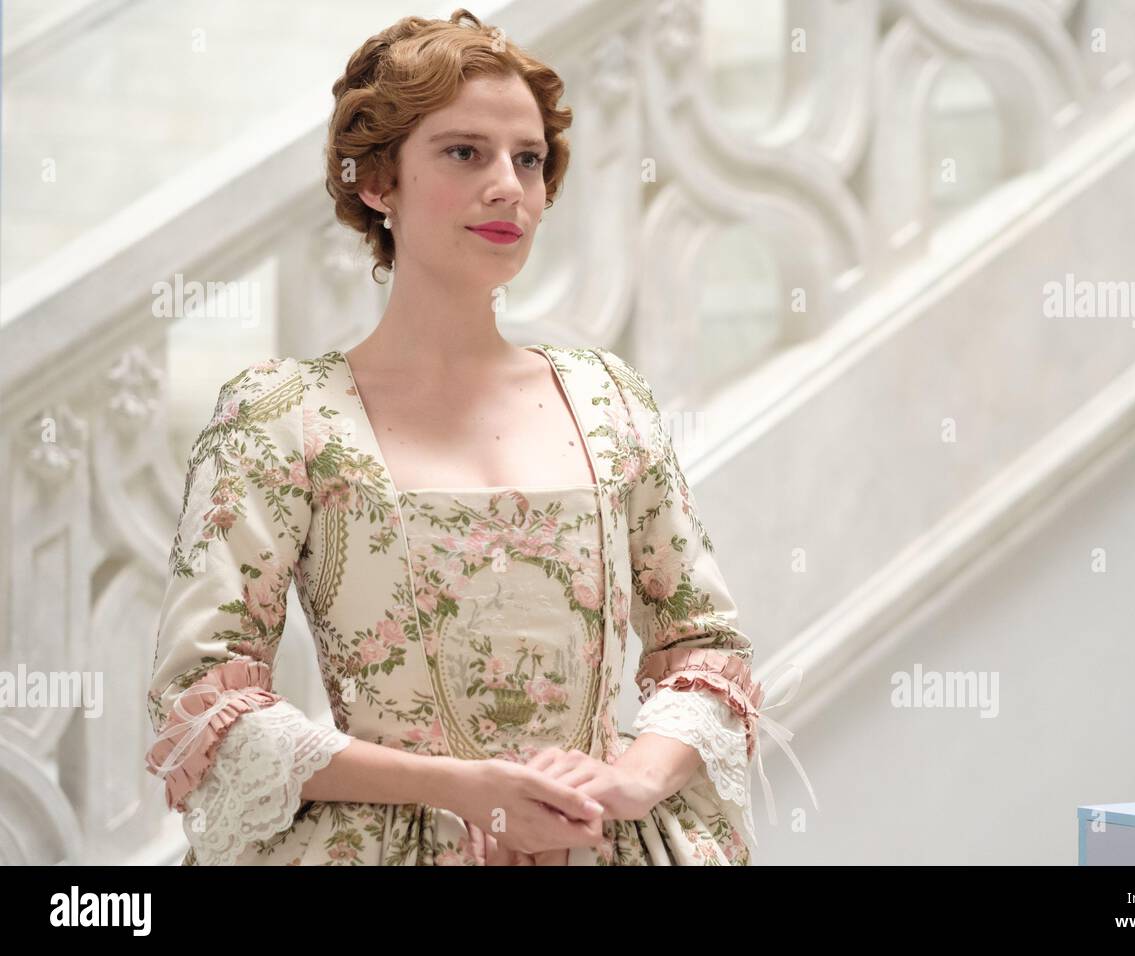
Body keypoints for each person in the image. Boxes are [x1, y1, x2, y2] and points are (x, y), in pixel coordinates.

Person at [145, 9, 770, 866]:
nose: (509, 185)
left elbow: (705, 648)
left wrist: (630, 778)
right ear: (375, 183)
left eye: (530, 159)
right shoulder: (282, 419)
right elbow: (201, 702)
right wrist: (462, 788)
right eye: (464, 152)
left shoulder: (610, 400)